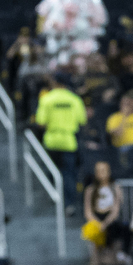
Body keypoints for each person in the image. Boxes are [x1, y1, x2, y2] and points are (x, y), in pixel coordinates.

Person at [34, 75, 87, 213]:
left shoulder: (47, 99)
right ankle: (69, 204)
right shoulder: (75, 99)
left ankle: (55, 196)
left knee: (51, 170)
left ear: (55, 82)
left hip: (51, 140)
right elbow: (82, 120)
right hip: (69, 141)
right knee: (68, 173)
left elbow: (40, 122)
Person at [83, 161, 128, 265]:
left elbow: (116, 210)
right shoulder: (90, 190)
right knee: (91, 230)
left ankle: (113, 257)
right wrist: (97, 223)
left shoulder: (115, 188)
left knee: (116, 229)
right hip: (96, 218)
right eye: (98, 171)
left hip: (110, 219)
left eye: (103, 171)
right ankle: (95, 259)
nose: (101, 173)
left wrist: (105, 223)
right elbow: (88, 211)